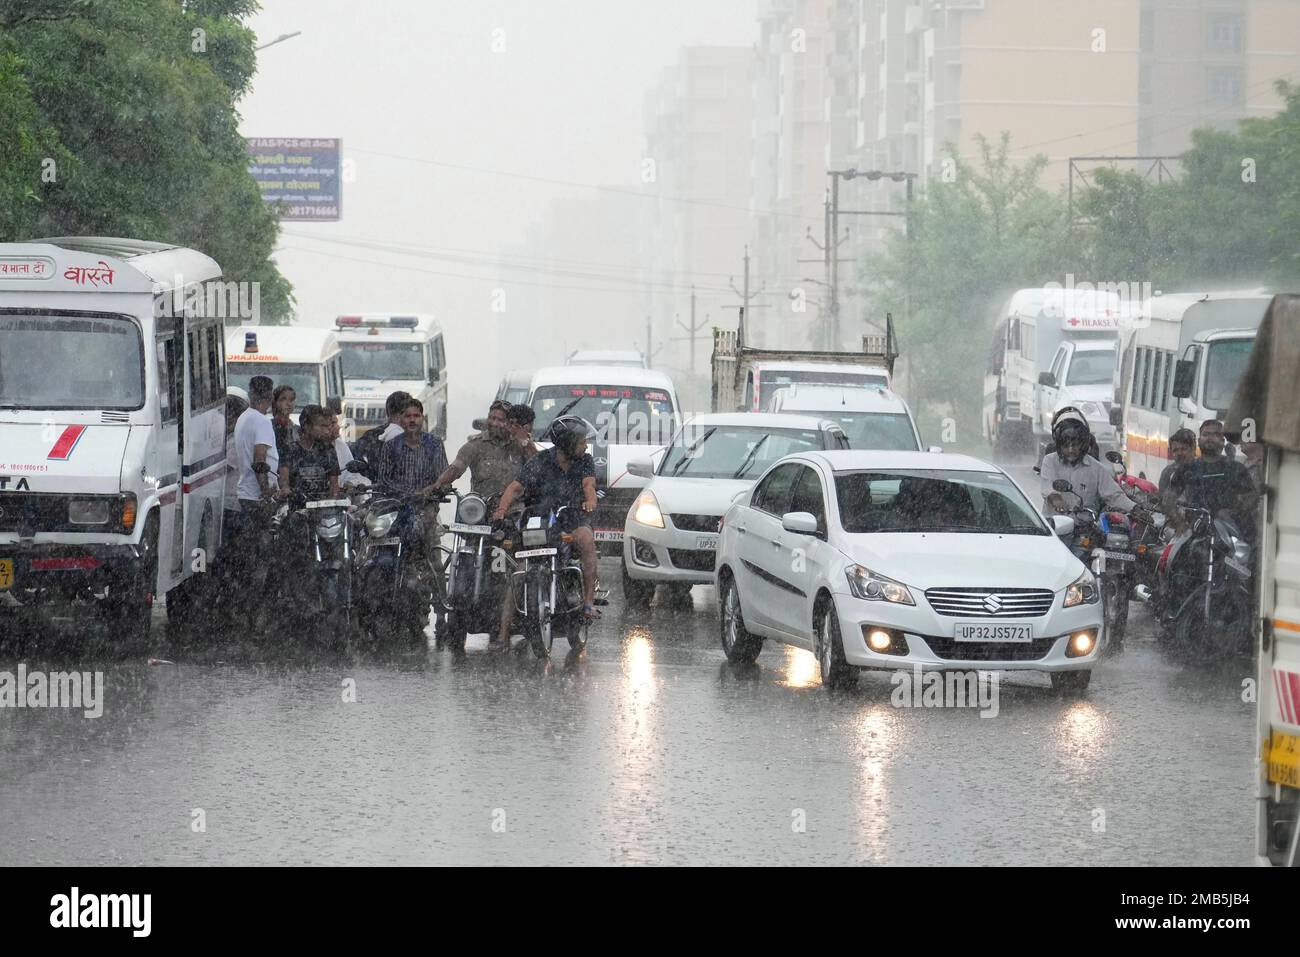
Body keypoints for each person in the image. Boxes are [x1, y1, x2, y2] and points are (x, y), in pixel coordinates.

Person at [492, 415, 600, 620]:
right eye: (582, 442)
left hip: (572, 518)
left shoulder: (585, 460)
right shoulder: (540, 461)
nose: (586, 446)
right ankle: (503, 634)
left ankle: (587, 603)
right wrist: (501, 509)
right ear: (568, 445)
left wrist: (590, 501)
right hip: (541, 521)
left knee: (587, 540)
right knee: (520, 571)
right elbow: (515, 488)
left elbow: (589, 485)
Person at [377, 398, 450, 558]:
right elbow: (384, 481)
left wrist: (432, 491)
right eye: (407, 416)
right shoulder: (391, 446)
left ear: (422, 418)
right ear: (400, 420)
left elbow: (444, 478)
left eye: (416, 416)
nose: (412, 420)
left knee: (434, 563)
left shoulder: (434, 444)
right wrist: (410, 494)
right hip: (396, 511)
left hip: (426, 510)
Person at [1167, 419, 1258, 535]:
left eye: (1216, 434)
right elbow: (1168, 500)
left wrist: (1234, 512)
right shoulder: (1187, 469)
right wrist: (1180, 523)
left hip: (1230, 534)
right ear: (1199, 441)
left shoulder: (1236, 469)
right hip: (1196, 533)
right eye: (1206, 434)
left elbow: (1251, 497)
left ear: (1222, 441)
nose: (1210, 438)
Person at [1040, 410, 1135, 517]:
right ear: (1059, 445)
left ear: (1083, 444)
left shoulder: (1096, 468)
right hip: (1054, 527)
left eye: (1075, 445)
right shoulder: (1049, 461)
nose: (1071, 450)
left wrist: (1136, 509)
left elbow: (1114, 496)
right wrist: (1056, 499)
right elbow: (1048, 488)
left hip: (1086, 528)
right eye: (1066, 446)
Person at [278, 404, 341, 506]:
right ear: (307, 426)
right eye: (321, 426)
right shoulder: (289, 449)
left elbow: (334, 485)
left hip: (322, 509)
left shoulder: (328, 450)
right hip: (296, 508)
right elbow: (284, 482)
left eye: (326, 426)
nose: (326, 430)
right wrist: (286, 490)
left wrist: (331, 504)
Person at [352, 389, 411, 478]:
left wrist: (368, 473)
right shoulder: (411, 438)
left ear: (387, 412)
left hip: (378, 488)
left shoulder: (371, 435)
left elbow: (353, 454)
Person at [221, 386, 250, 551]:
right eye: (227, 412)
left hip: (233, 502)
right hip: (222, 502)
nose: (229, 417)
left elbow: (225, 468)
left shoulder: (239, 440)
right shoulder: (223, 437)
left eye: (234, 412)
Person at [1157, 428, 1197, 494]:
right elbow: (1162, 498)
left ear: (1193, 449)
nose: (1179, 453)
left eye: (1183, 449)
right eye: (1175, 450)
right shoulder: (1167, 472)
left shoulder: (1202, 471)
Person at [271, 385, 298, 463]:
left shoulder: (298, 430)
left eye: (291, 400)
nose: (288, 403)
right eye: (283, 399)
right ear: (275, 402)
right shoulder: (268, 427)